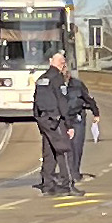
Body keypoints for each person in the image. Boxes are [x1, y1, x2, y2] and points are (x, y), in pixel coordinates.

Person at [32, 51, 76, 195]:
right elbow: (62, 102)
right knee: (64, 151)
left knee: (49, 152)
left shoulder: (41, 79)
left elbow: (35, 103)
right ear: (62, 64)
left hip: (44, 120)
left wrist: (39, 121)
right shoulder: (57, 79)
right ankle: (67, 184)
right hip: (55, 120)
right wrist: (68, 124)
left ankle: (48, 185)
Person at [65, 68, 101, 184]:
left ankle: (74, 173)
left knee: (76, 146)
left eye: (66, 72)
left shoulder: (77, 84)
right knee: (63, 148)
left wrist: (96, 113)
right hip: (62, 119)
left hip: (77, 118)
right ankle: (65, 174)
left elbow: (88, 99)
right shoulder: (55, 84)